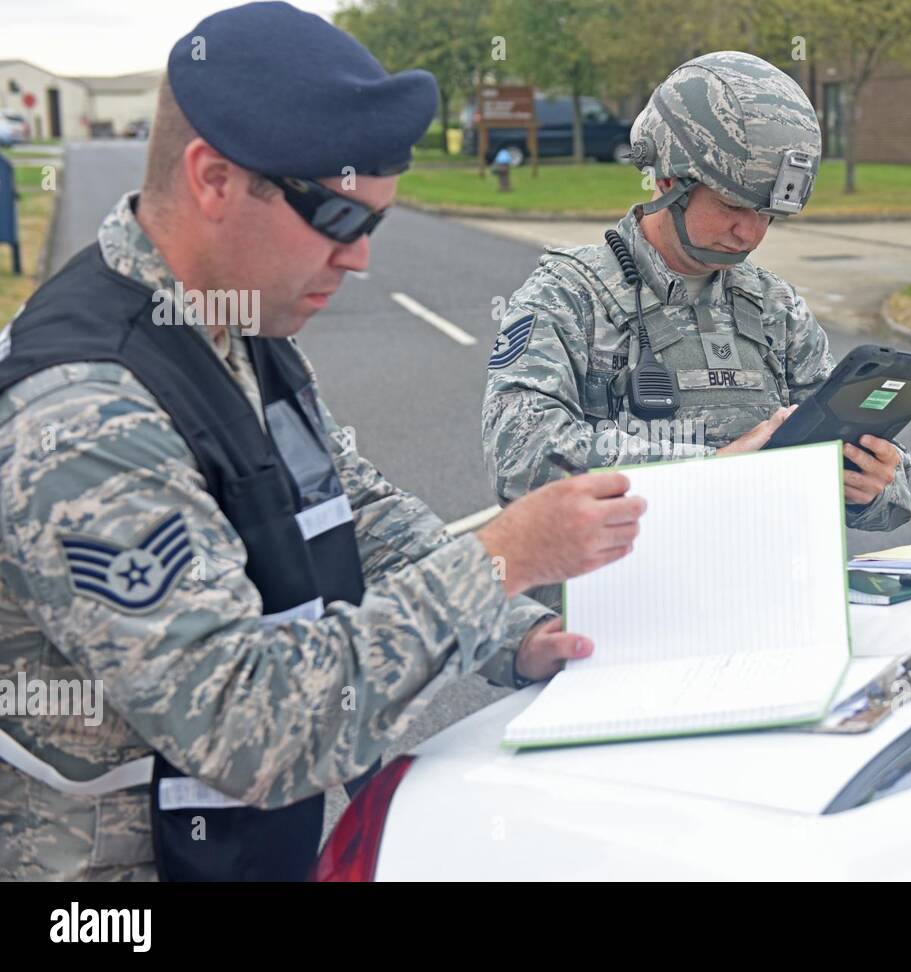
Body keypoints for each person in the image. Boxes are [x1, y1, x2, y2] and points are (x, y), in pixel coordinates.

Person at [0, 1, 644, 881]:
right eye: (340, 220)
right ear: (214, 180)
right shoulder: (81, 413)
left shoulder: (233, 324)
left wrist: (518, 631)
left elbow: (353, 511)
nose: (361, 260)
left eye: (376, 225)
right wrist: (498, 560)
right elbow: (245, 724)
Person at [482, 51, 911, 532]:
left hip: (764, 589)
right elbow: (520, 455)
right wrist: (715, 468)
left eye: (767, 214)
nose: (748, 233)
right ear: (667, 178)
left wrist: (872, 485)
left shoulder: (777, 308)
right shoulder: (567, 295)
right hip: (613, 593)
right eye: (732, 204)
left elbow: (880, 479)